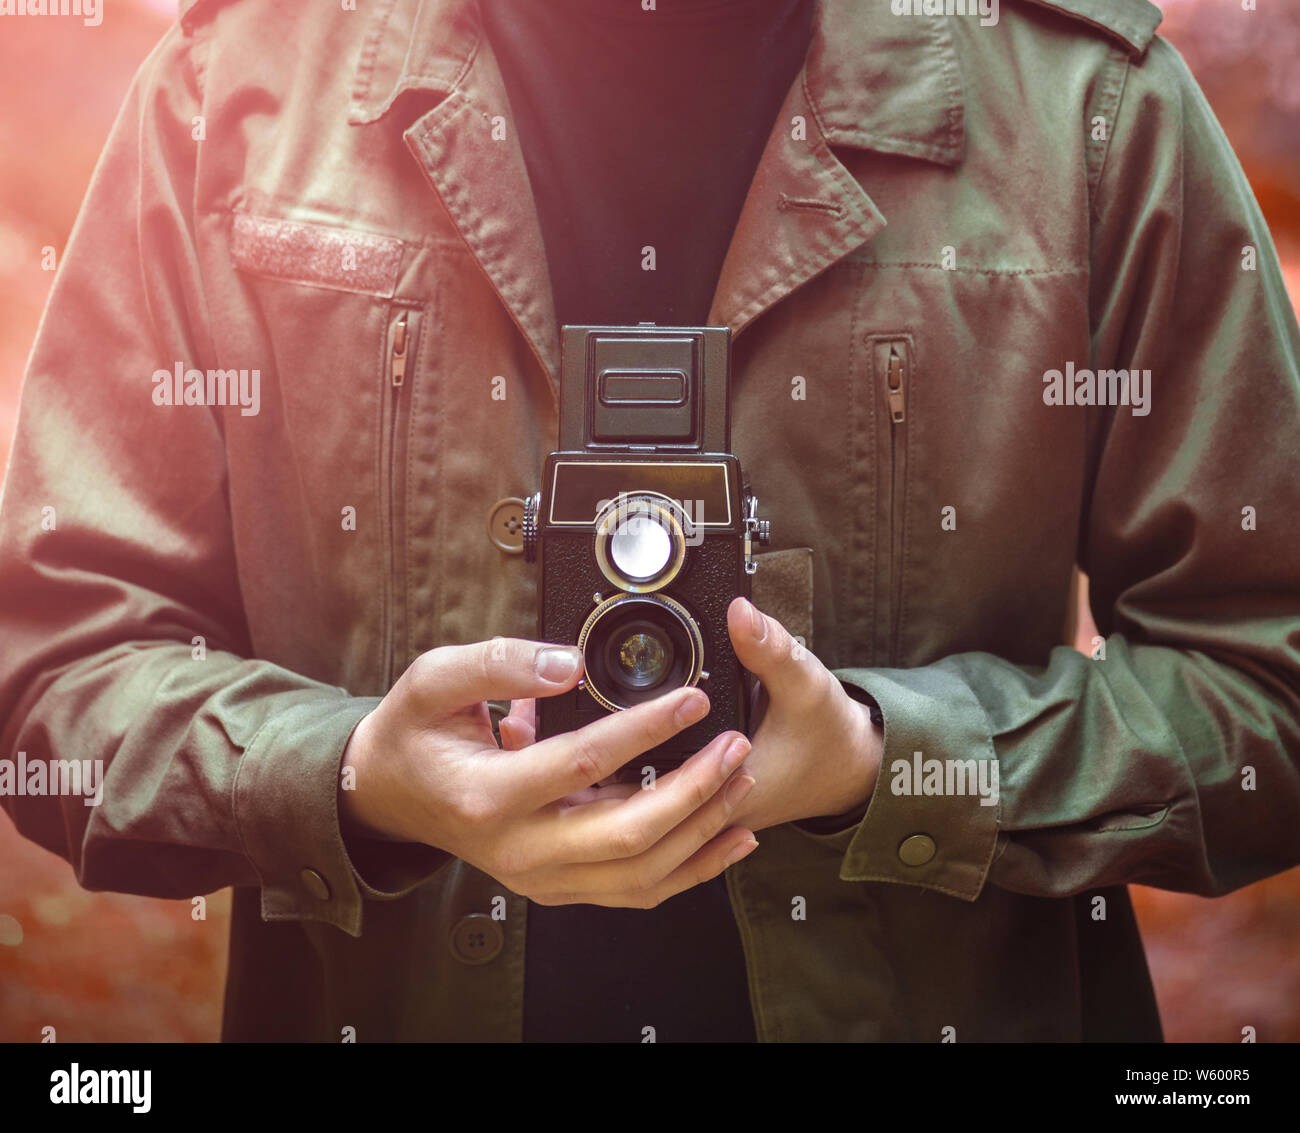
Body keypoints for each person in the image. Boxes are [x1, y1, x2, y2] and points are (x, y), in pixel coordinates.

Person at [2, 0, 1299, 1042]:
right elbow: (61, 666)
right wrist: (354, 778)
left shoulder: (1081, 103)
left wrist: (891, 762)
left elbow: (1267, 688)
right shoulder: (235, 94)